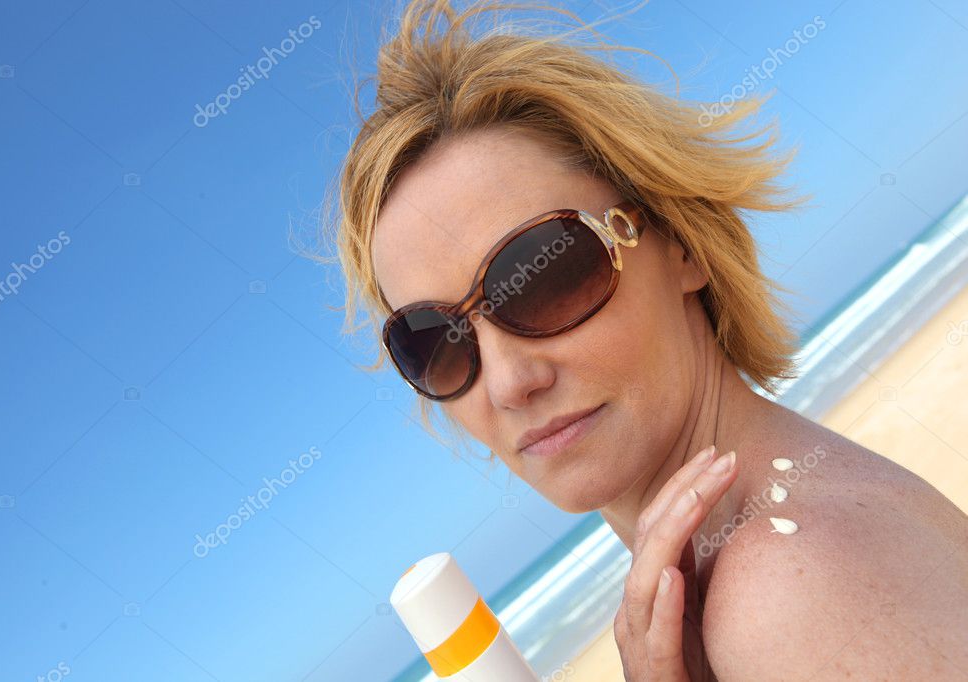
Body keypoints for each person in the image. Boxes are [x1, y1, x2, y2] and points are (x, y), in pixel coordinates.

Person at [329, 1, 968, 678]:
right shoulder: (770, 554)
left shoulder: (783, 584)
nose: (510, 381)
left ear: (678, 243)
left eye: (544, 274)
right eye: (436, 342)